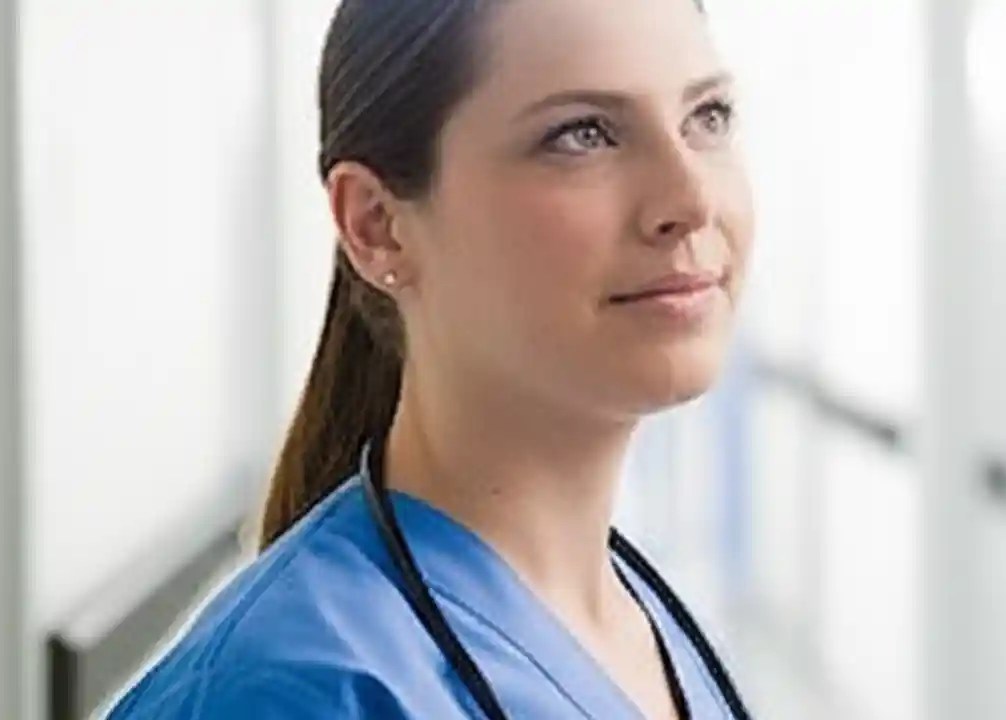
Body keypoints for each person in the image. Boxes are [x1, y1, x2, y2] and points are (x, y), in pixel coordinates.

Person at [105, 0, 754, 716]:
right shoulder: (288, 691)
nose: (691, 199)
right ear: (377, 226)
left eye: (708, 117)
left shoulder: (637, 622)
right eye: (583, 134)